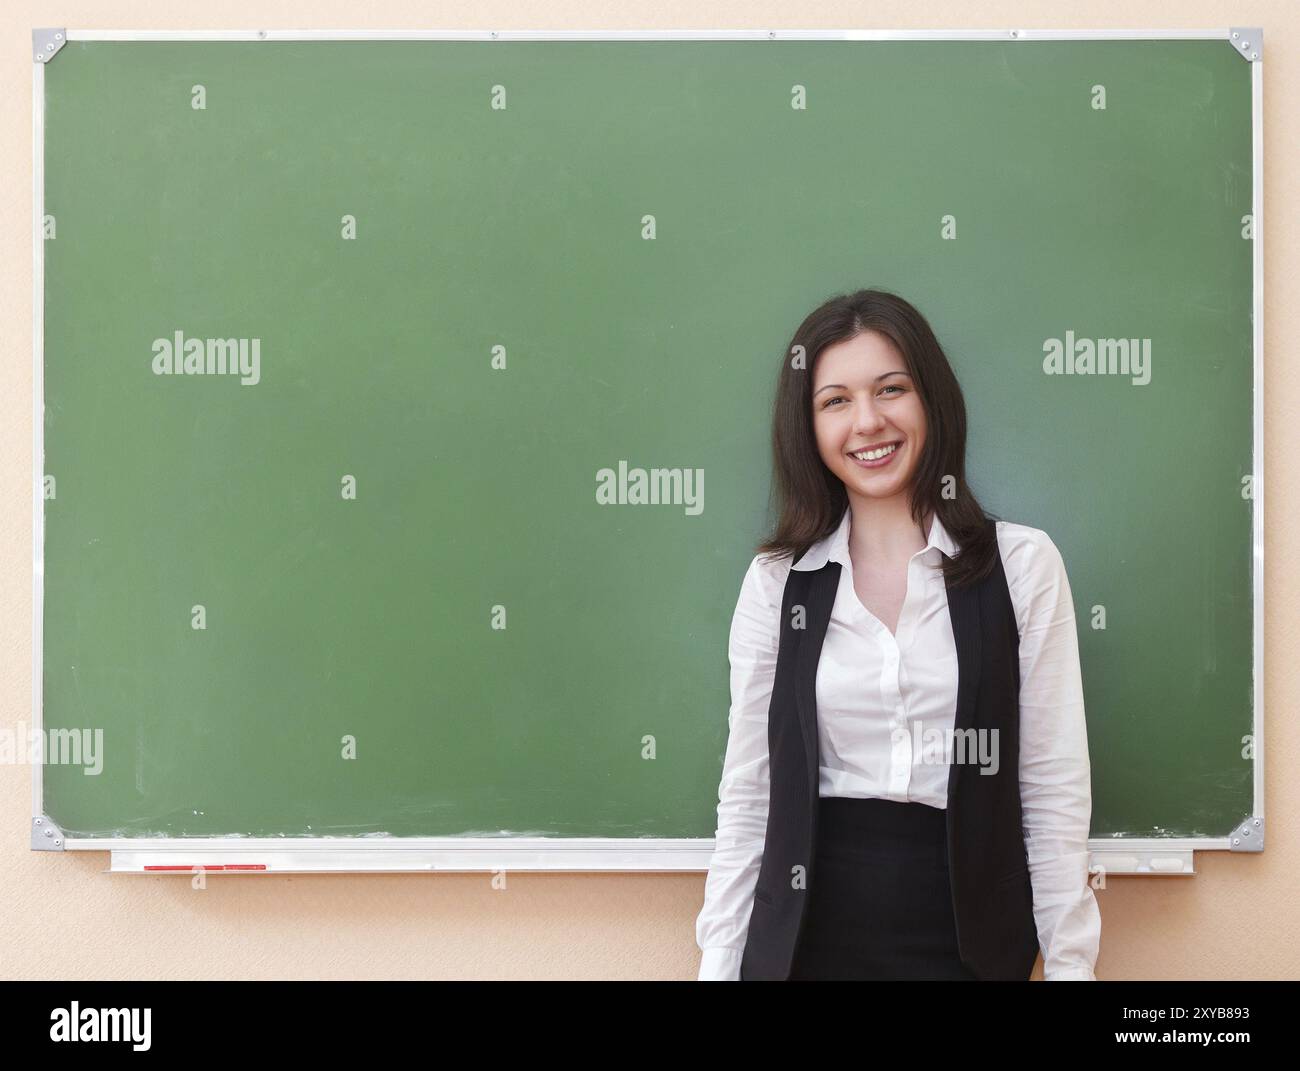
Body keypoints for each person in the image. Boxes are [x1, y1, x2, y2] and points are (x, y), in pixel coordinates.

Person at [695, 289, 1101, 980]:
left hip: (969, 942)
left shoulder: (1022, 566)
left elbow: (1051, 791)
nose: (868, 421)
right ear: (809, 426)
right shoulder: (777, 584)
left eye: (891, 389)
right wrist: (718, 967)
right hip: (801, 942)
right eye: (835, 401)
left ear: (930, 400)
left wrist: (1071, 968)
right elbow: (750, 795)